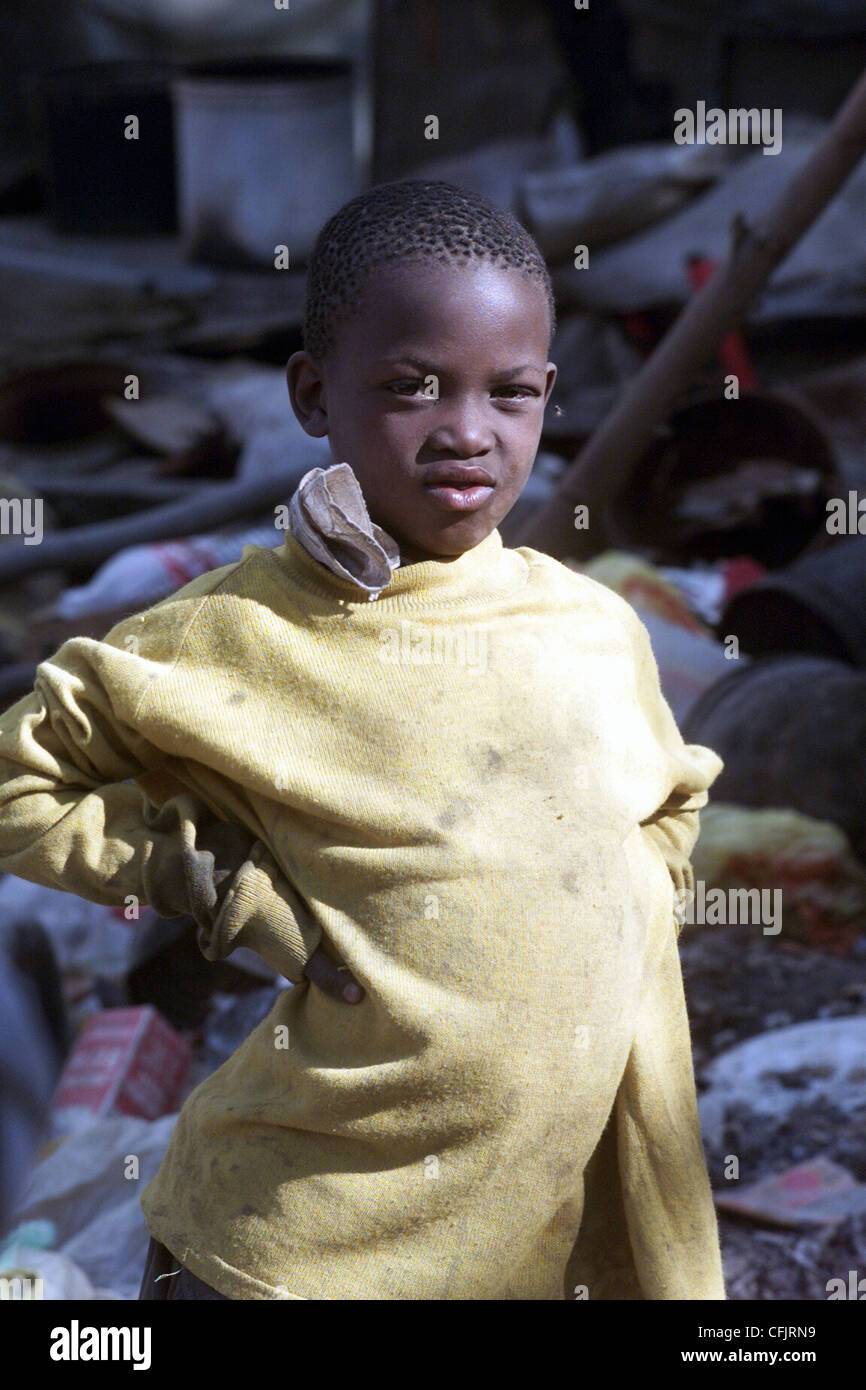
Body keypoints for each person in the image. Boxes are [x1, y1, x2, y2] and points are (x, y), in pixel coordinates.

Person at [0, 179, 725, 1301]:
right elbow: (19, 781)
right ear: (311, 392)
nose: (467, 432)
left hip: (516, 1241)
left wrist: (604, 912)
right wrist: (212, 876)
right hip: (294, 1248)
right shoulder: (235, 634)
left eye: (512, 394)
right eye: (409, 387)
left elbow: (673, 797)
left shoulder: (587, 630)